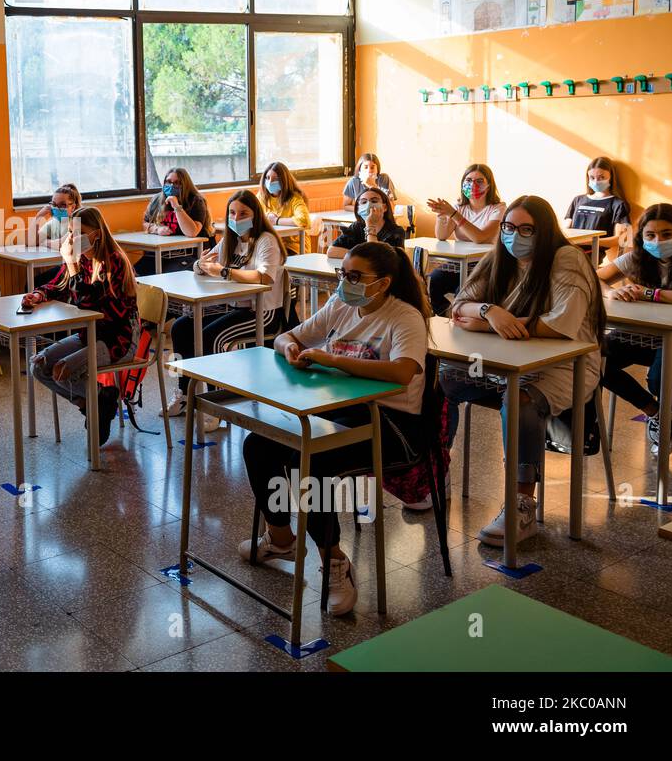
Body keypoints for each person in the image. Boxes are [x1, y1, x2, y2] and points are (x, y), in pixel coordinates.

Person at [239, 242, 430, 616]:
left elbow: (403, 371)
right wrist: (289, 348)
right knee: (258, 444)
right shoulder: (340, 305)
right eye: (343, 274)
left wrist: (334, 360)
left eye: (356, 277)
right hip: (341, 409)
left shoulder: (404, 317)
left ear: (384, 283)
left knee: (309, 459)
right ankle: (280, 538)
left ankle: (333, 560)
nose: (346, 282)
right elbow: (288, 335)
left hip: (391, 425)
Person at [445, 195, 604, 547]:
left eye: (526, 229)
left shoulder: (566, 258)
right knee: (445, 379)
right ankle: (435, 469)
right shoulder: (500, 257)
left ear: (544, 231)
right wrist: (490, 310)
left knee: (521, 400)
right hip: (507, 358)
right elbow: (459, 308)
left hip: (565, 365)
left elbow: (562, 324)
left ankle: (522, 502)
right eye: (509, 227)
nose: (514, 235)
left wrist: (488, 324)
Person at [165, 189, 286, 416]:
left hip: (262, 312)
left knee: (212, 337)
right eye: (232, 213)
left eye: (243, 213)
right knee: (181, 327)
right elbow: (202, 266)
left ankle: (216, 406)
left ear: (255, 215)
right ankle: (183, 392)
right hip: (231, 307)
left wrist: (224, 272)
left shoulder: (265, 240)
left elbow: (265, 277)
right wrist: (200, 265)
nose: (236, 218)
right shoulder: (230, 240)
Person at [24, 206, 138, 445]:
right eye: (71, 232)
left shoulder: (113, 261)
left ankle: (98, 403)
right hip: (90, 335)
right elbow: (59, 285)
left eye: (79, 232)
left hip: (117, 339)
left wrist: (70, 262)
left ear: (96, 233)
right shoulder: (81, 260)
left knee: (63, 370)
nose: (73, 238)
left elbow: (88, 302)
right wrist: (37, 295)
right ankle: (95, 401)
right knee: (40, 365)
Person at [597, 202, 672, 453]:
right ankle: (657, 413)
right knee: (593, 359)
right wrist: (612, 292)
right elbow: (594, 278)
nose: (658, 241)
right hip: (642, 334)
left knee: (658, 379)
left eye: (667, 234)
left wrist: (649, 293)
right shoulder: (637, 257)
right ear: (642, 237)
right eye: (650, 235)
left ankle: (669, 413)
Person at [423, 164, 506, 315]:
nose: (473, 185)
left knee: (462, 291)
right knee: (434, 280)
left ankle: (462, 317)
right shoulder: (458, 207)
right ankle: (446, 316)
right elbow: (441, 236)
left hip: (486, 265)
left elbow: (480, 237)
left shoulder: (497, 208)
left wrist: (454, 214)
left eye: (479, 181)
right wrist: (442, 214)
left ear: (489, 185)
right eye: (468, 180)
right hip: (460, 264)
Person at [136, 167, 212, 274]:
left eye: (177, 183)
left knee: (167, 274)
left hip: (188, 255)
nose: (172, 186)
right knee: (134, 273)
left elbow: (192, 232)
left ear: (185, 185)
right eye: (168, 182)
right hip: (161, 254)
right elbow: (145, 223)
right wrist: (157, 229)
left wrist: (176, 206)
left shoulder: (196, 200)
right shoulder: (157, 199)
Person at [564, 156, 632, 263]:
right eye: (592, 177)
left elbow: (622, 239)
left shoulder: (618, 204)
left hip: (591, 254)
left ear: (611, 177)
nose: (596, 181)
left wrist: (587, 241)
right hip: (567, 250)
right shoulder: (578, 200)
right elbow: (566, 230)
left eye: (601, 177)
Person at [327, 187, 405, 258]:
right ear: (358, 209)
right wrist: (364, 256)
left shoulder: (396, 231)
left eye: (374, 201)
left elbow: (377, 259)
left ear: (384, 207)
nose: (368, 205)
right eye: (363, 202)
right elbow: (331, 251)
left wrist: (370, 225)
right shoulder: (357, 227)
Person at [28, 182, 82, 285]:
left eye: (62, 205)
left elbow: (63, 244)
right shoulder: (55, 222)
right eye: (54, 204)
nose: (57, 208)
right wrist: (38, 217)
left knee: (36, 283)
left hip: (79, 269)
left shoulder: (78, 221)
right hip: (65, 266)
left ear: (73, 207)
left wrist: (44, 242)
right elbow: (31, 242)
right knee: (32, 283)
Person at [259, 161, 311, 256]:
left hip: (294, 246)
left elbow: (304, 220)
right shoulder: (262, 197)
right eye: (267, 178)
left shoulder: (294, 198)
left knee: (271, 258)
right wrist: (266, 216)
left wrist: (276, 220)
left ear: (283, 181)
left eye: (275, 179)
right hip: (272, 244)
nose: (270, 182)